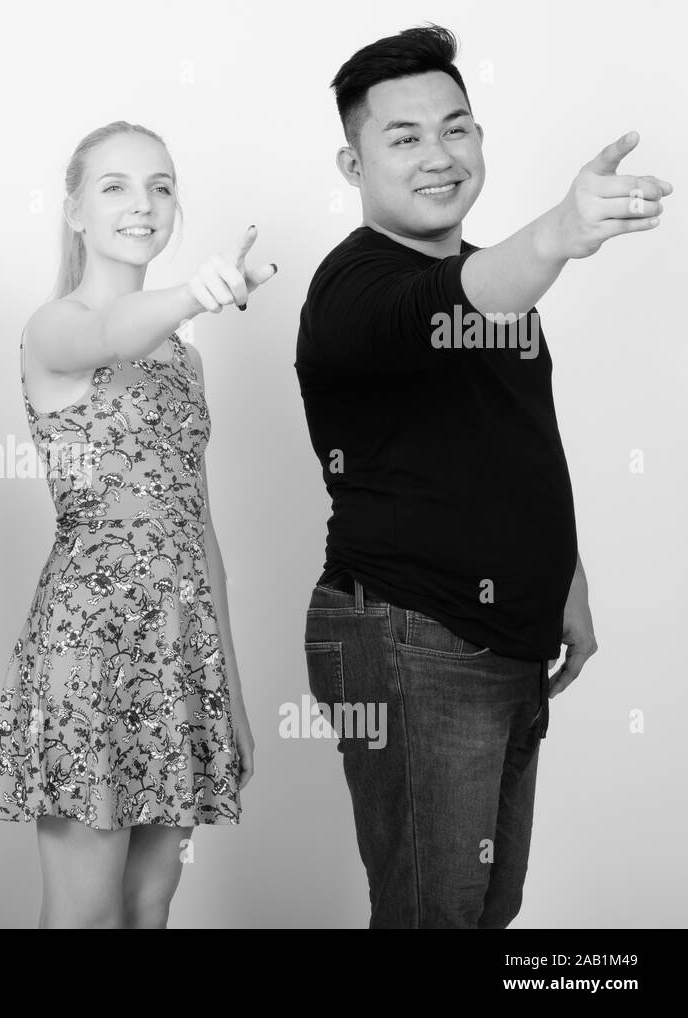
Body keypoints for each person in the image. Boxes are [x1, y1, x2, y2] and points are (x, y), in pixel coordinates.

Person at [296, 25, 671, 928]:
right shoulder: (355, 286)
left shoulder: (494, 282)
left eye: (456, 128)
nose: (440, 155)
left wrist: (566, 580)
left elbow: (521, 440)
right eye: (406, 137)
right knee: (435, 913)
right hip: (403, 635)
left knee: (485, 910)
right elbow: (454, 304)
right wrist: (562, 232)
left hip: (505, 638)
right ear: (353, 165)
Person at [0, 121, 272, 928]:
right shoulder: (54, 327)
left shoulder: (184, 356)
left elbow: (201, 531)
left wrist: (233, 700)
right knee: (86, 917)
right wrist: (195, 293)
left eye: (162, 185)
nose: (143, 204)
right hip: (90, 642)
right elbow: (110, 334)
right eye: (115, 186)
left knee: (147, 910)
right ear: (74, 210)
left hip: (179, 647)